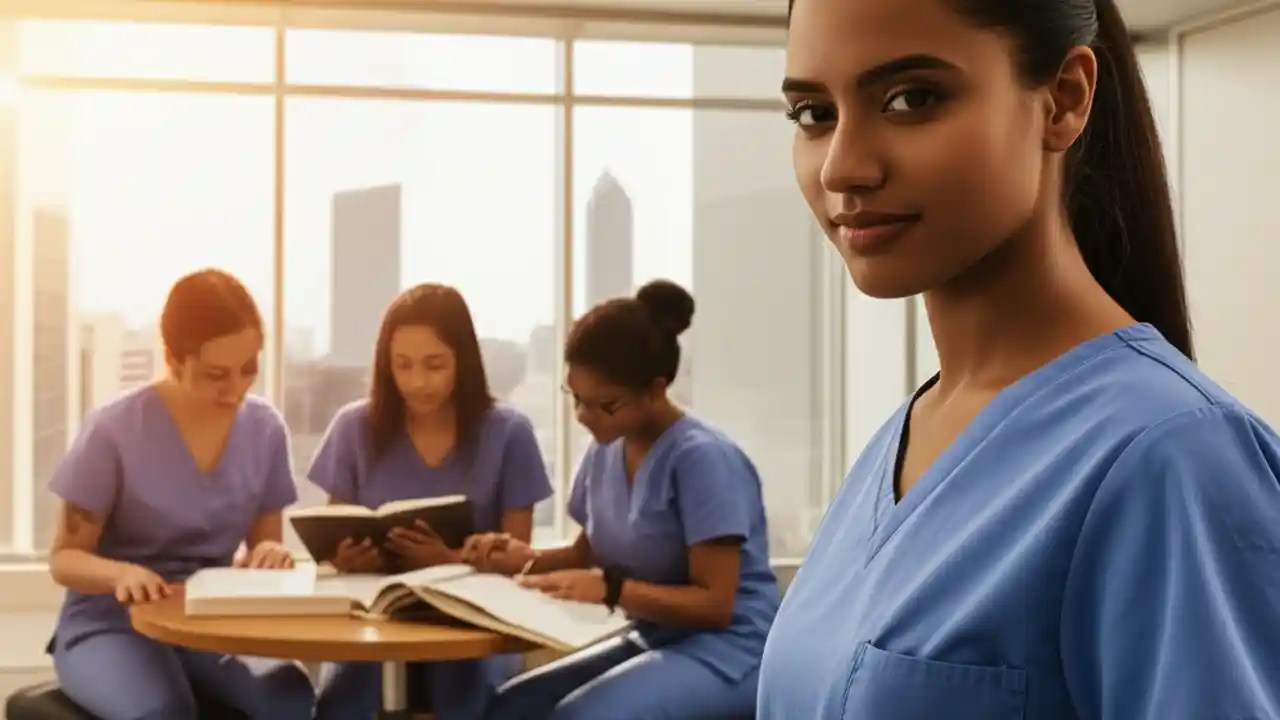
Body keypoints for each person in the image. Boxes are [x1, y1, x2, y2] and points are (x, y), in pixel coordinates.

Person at [759, 0, 1280, 717]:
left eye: (911, 99)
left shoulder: (1170, 456)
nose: (843, 167)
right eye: (814, 114)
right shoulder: (909, 434)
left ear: (1064, 98)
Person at [473, 280, 779, 720]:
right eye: (576, 399)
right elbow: (587, 552)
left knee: (582, 717)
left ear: (655, 390)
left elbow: (715, 605)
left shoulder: (703, 459)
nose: (584, 416)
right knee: (511, 708)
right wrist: (521, 560)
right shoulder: (605, 447)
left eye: (603, 404)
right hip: (657, 636)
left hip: (732, 649)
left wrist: (613, 590)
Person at [45, 269, 313, 720]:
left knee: (289, 699)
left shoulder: (265, 430)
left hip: (208, 620)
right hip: (113, 622)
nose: (236, 389)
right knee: (162, 711)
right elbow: (65, 559)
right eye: (216, 375)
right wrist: (121, 575)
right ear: (172, 358)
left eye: (249, 368)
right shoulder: (113, 430)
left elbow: (265, 544)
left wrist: (268, 554)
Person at [310, 283, 554, 720]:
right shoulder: (353, 428)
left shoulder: (509, 433)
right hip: (375, 614)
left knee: (465, 695)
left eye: (434, 365)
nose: (417, 381)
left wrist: (448, 559)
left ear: (464, 360)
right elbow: (332, 538)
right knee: (343, 699)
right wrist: (348, 558)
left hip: (474, 617)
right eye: (402, 365)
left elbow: (520, 559)